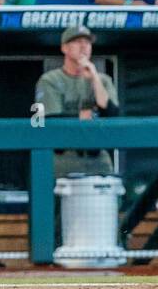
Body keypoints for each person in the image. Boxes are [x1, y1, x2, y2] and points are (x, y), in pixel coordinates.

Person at [34, 24, 119, 179]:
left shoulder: (103, 80)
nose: (83, 47)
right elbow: (44, 121)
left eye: (87, 42)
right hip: (64, 157)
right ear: (64, 48)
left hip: (97, 157)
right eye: (77, 42)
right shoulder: (49, 80)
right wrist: (82, 117)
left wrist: (94, 77)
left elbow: (113, 113)